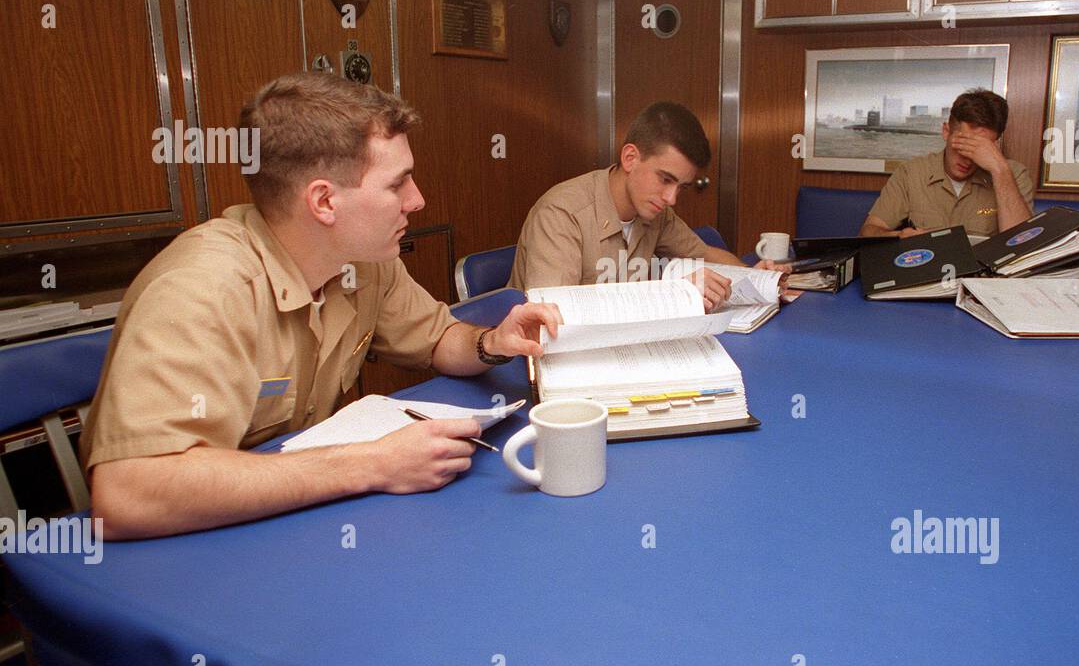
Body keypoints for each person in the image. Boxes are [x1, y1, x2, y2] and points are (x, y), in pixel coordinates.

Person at [84, 73, 561, 540]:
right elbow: (129, 492)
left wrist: (490, 342)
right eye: (397, 185)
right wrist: (371, 463)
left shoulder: (360, 258)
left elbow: (436, 339)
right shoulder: (200, 289)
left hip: (292, 520)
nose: (417, 200)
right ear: (324, 202)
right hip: (200, 546)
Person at [508, 102, 785, 308]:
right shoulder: (562, 213)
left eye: (681, 187)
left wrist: (754, 278)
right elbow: (552, 315)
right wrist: (673, 296)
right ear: (630, 158)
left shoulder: (655, 211)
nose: (671, 198)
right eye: (665, 179)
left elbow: (705, 252)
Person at [859, 89, 1034, 239]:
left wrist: (999, 169)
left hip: (984, 278)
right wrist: (898, 237)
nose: (967, 158)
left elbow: (1022, 247)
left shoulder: (1014, 174)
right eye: (962, 146)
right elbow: (868, 231)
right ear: (946, 132)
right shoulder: (911, 172)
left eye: (979, 149)